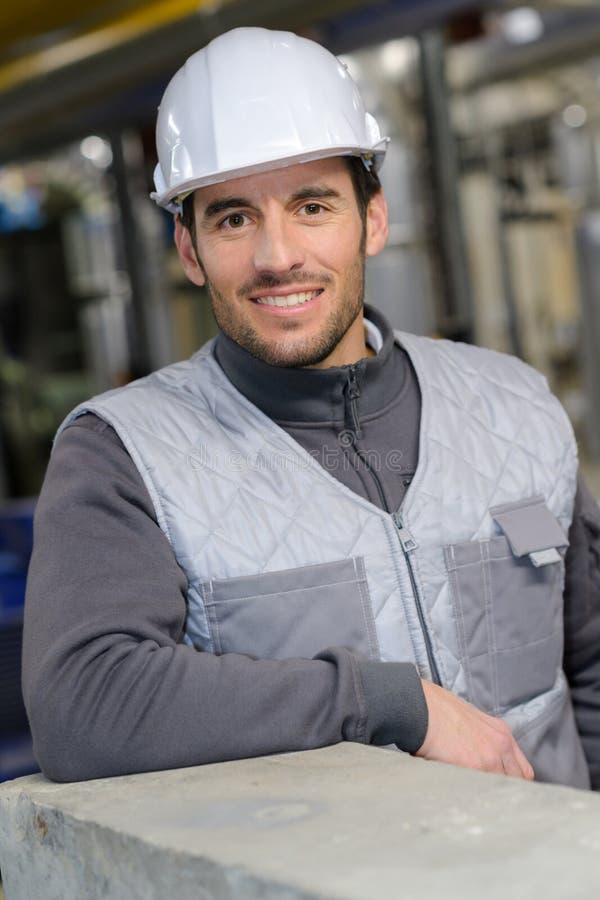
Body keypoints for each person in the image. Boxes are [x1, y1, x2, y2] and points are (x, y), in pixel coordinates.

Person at [23, 27, 600, 788]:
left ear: (376, 219)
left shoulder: (513, 404)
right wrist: (387, 703)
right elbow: (85, 704)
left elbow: (589, 662)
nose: (277, 256)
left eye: (312, 205)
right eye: (233, 218)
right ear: (190, 251)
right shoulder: (125, 455)